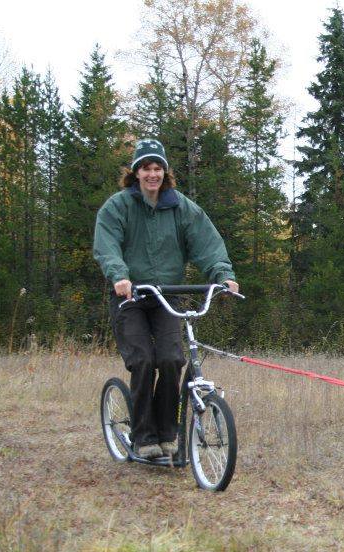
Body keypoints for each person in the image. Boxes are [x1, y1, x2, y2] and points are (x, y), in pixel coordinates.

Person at [93, 139, 238, 459]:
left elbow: (207, 244)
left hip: (167, 298)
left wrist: (222, 275)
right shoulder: (118, 207)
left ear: (165, 172)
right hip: (131, 298)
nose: (152, 174)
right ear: (136, 173)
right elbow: (107, 245)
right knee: (143, 360)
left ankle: (167, 433)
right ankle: (143, 437)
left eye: (158, 167)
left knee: (172, 359)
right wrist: (119, 275)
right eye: (146, 168)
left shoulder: (181, 207)